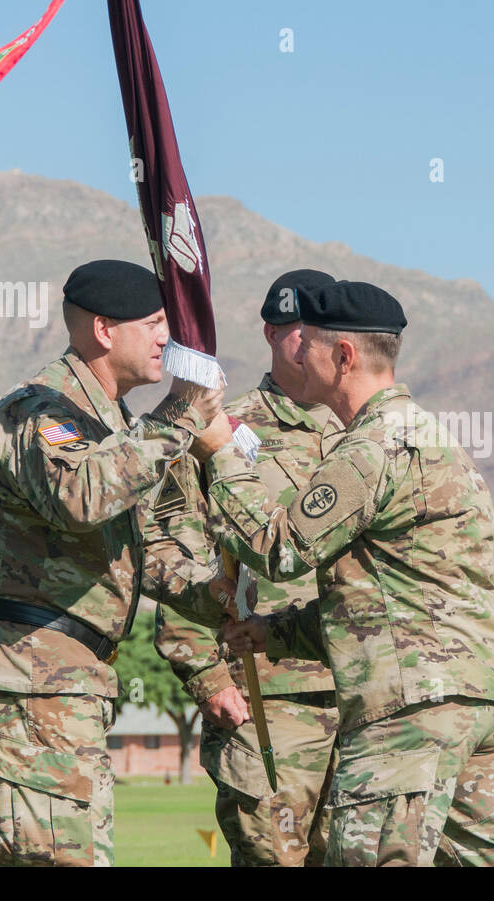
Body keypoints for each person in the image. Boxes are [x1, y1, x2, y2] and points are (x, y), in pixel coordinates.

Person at [197, 279, 494, 866]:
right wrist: (277, 633)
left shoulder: (372, 447)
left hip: (412, 712)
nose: (298, 355)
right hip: (491, 700)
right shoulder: (434, 438)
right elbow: (395, 599)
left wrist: (222, 454)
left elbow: (278, 549)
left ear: (345, 356)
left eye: (309, 344)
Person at [0, 259, 228, 866]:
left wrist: (229, 592)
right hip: (29, 676)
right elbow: (82, 496)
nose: (167, 339)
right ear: (104, 331)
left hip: (69, 681)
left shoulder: (116, 429)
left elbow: (152, 562)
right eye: (153, 323)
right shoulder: (39, 415)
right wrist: (180, 414)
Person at [152, 269, 344, 866]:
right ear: (270, 333)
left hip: (361, 695)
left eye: (318, 329)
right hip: (267, 701)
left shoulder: (363, 435)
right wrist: (206, 678)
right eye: (293, 329)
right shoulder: (222, 433)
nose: (304, 341)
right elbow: (175, 556)